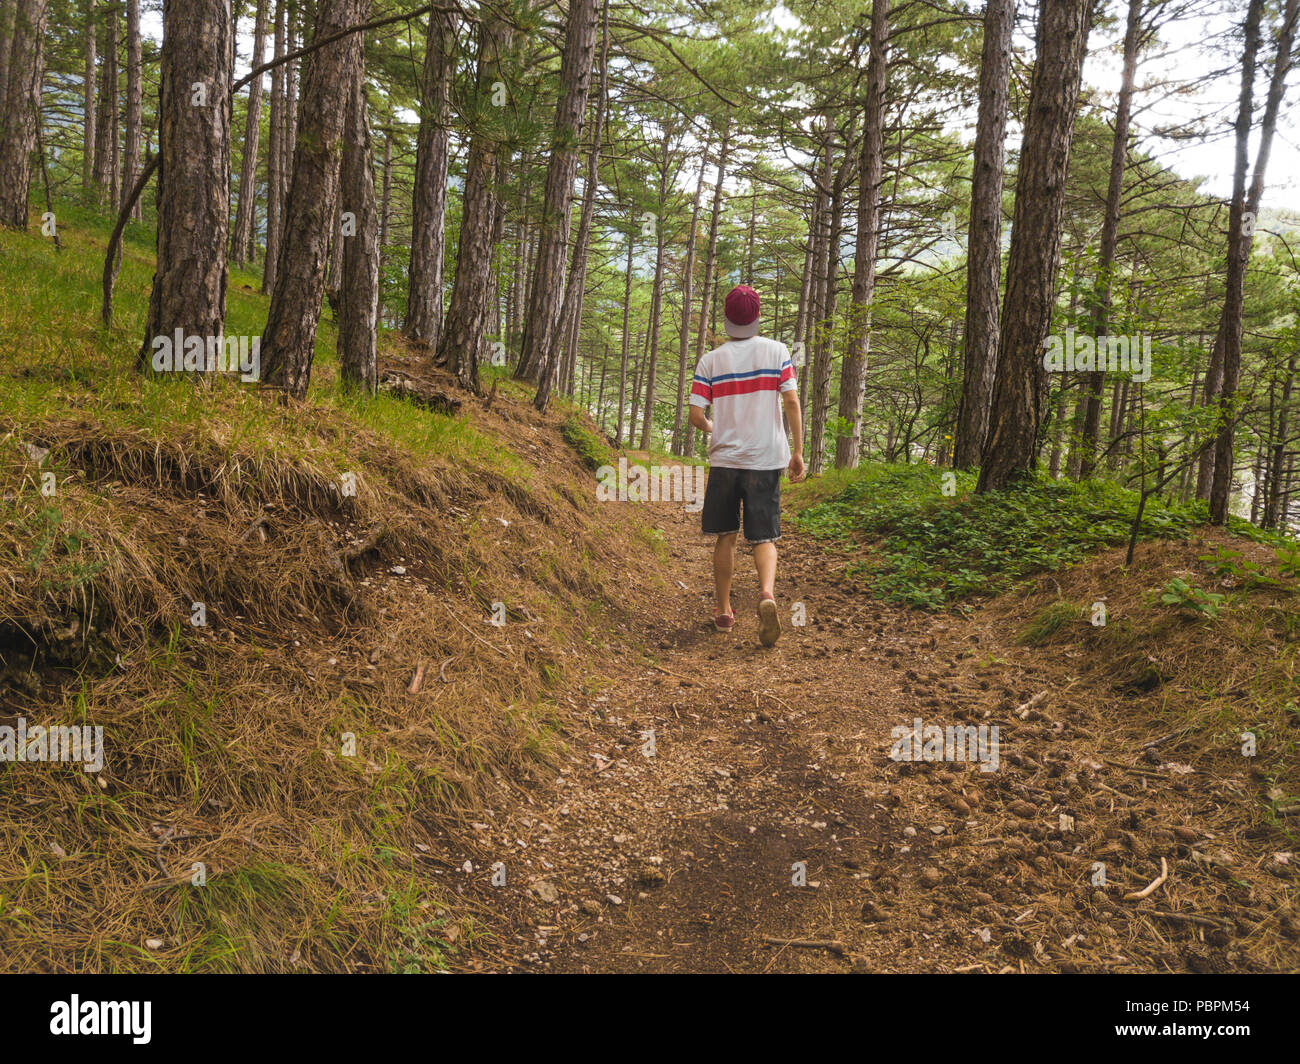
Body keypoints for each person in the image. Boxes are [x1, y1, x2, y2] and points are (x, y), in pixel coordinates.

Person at [688, 284, 805, 647]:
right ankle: (767, 595)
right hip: (765, 459)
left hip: (725, 460)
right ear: (757, 317)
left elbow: (695, 415)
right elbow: (791, 403)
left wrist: (714, 428)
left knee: (726, 535)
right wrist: (797, 452)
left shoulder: (711, 360)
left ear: (726, 319)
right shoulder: (777, 351)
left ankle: (724, 611)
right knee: (765, 536)